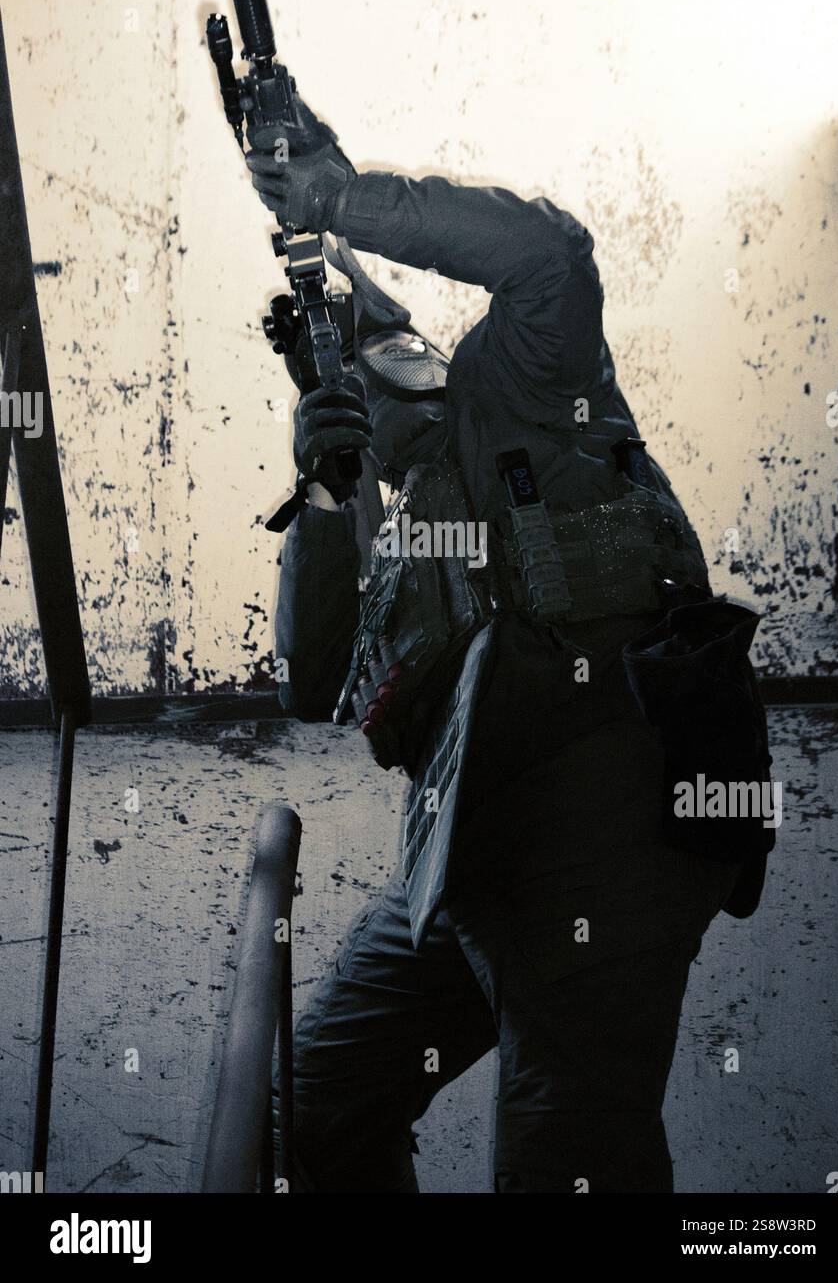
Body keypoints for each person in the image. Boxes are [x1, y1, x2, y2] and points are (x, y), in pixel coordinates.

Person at [245, 118, 764, 1193]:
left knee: (566, 1161)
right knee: (315, 1108)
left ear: (413, 341)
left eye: (361, 337)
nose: (346, 361)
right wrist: (327, 485)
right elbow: (306, 684)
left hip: (606, 796)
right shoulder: (380, 534)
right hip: (463, 857)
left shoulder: (529, 383)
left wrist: (337, 200)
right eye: (320, 358)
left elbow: (549, 252)